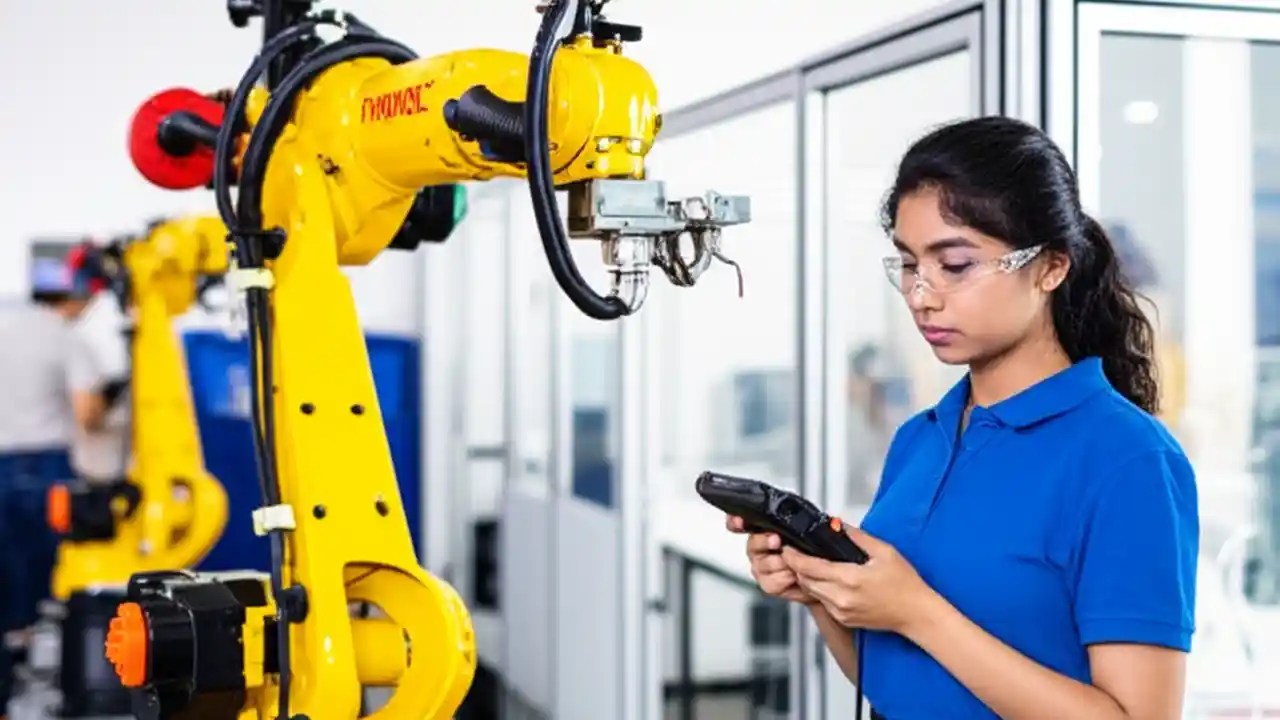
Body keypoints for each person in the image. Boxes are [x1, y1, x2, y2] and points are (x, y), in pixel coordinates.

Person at [727, 116, 1198, 719]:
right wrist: (826, 594)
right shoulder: (919, 439)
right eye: (908, 265)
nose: (922, 295)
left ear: (1051, 267)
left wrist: (917, 612)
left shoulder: (1128, 461)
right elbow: (896, 683)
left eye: (954, 265)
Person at [0, 243, 118, 719]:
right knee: (44, 590)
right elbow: (88, 416)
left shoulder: (7, 324)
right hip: (43, 472)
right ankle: (49, 688)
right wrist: (112, 395)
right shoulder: (66, 340)